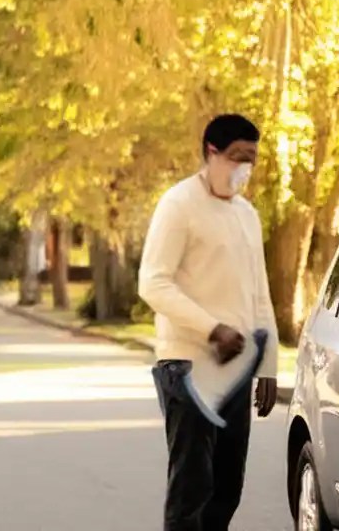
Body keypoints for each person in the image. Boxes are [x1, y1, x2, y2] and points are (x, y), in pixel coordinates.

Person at [139, 114, 280, 531]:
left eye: (252, 159)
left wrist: (268, 365)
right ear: (211, 153)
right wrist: (211, 329)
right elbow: (153, 282)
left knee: (227, 488)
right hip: (186, 366)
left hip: (234, 372)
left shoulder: (247, 215)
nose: (244, 168)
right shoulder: (179, 204)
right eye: (237, 156)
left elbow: (259, 294)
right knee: (192, 488)